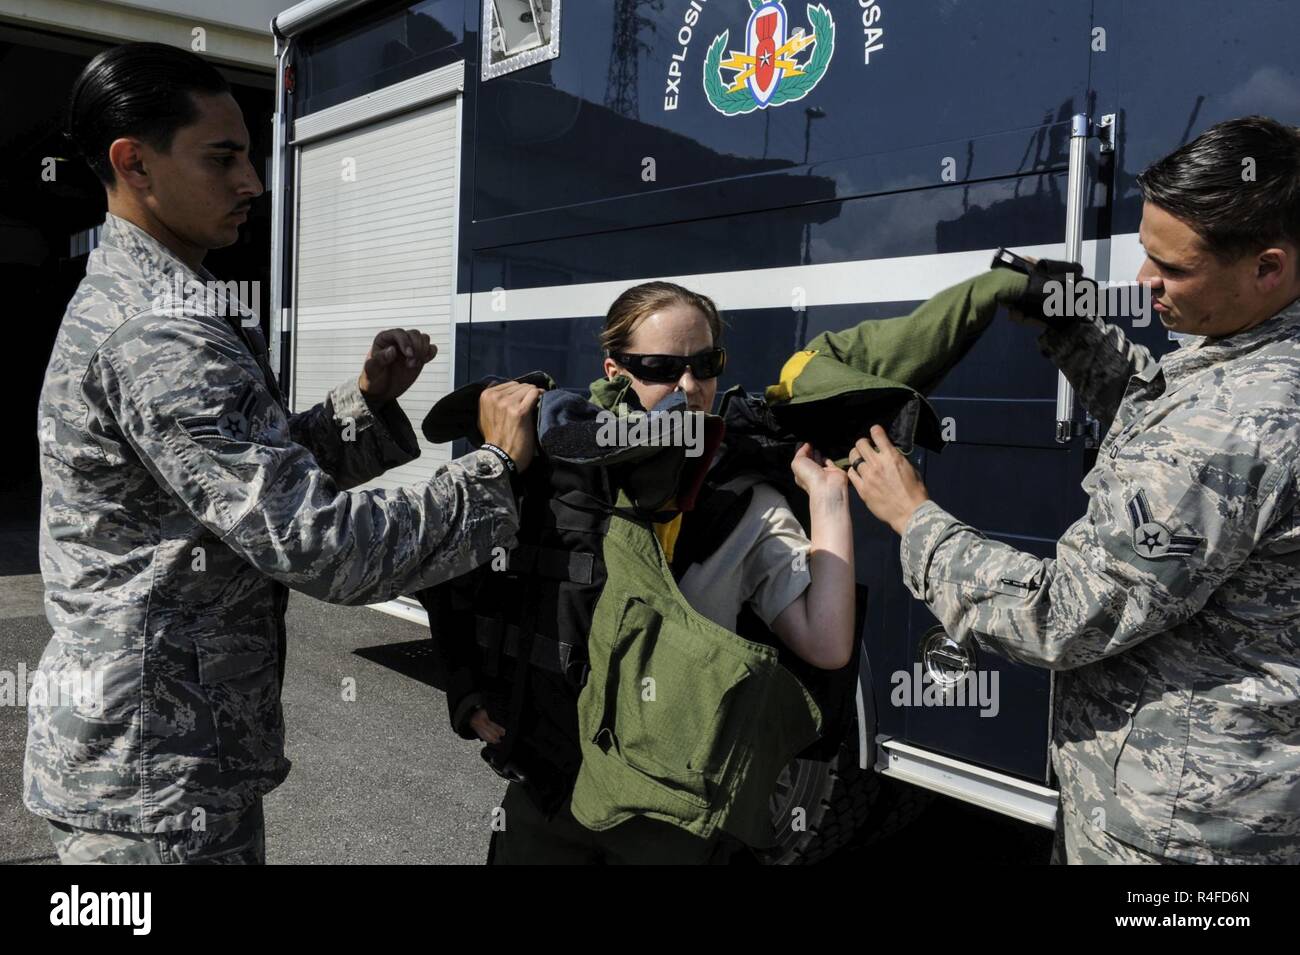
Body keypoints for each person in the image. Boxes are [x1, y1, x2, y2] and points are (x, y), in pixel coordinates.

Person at [25, 42, 541, 864]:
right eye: (221, 158)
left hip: (160, 760)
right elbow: (322, 543)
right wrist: (494, 471)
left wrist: (364, 404)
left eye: (251, 156)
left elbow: (235, 482)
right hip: (157, 781)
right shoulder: (161, 332)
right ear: (135, 163)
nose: (253, 184)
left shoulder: (160, 299)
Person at [847, 115, 1300, 864]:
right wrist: (1075, 330)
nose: (1145, 282)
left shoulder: (1244, 417)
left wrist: (915, 519)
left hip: (1176, 836)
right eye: (1145, 255)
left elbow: (1062, 616)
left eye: (1172, 269)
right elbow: (1161, 421)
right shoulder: (1247, 357)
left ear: (1268, 268)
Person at [456, 281, 857, 864]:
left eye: (705, 364)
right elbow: (464, 579)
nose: (690, 387)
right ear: (615, 370)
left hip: (664, 817)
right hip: (547, 792)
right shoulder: (559, 462)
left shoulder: (746, 499)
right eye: (662, 369)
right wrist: (468, 690)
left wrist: (829, 499)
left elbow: (825, 643)